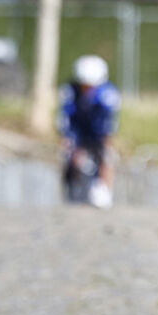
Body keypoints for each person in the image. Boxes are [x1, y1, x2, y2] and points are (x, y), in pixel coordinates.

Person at [58, 55, 120, 209]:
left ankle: (104, 187)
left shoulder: (108, 94)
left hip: (98, 130)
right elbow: (65, 118)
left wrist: (105, 142)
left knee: (107, 156)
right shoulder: (69, 92)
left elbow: (108, 122)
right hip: (77, 130)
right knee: (68, 155)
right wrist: (68, 141)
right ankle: (71, 188)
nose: (86, 89)